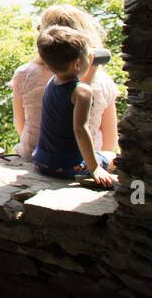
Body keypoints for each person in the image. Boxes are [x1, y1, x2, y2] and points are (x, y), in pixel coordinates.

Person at [11, 4, 119, 161]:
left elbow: (20, 126)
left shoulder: (24, 74)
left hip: (35, 155)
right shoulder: (103, 81)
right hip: (82, 161)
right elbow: (110, 140)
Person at [32, 25, 117, 188]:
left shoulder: (52, 81)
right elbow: (80, 130)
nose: (90, 57)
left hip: (41, 161)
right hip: (68, 166)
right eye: (88, 55)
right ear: (77, 64)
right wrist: (95, 168)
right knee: (112, 156)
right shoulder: (82, 92)